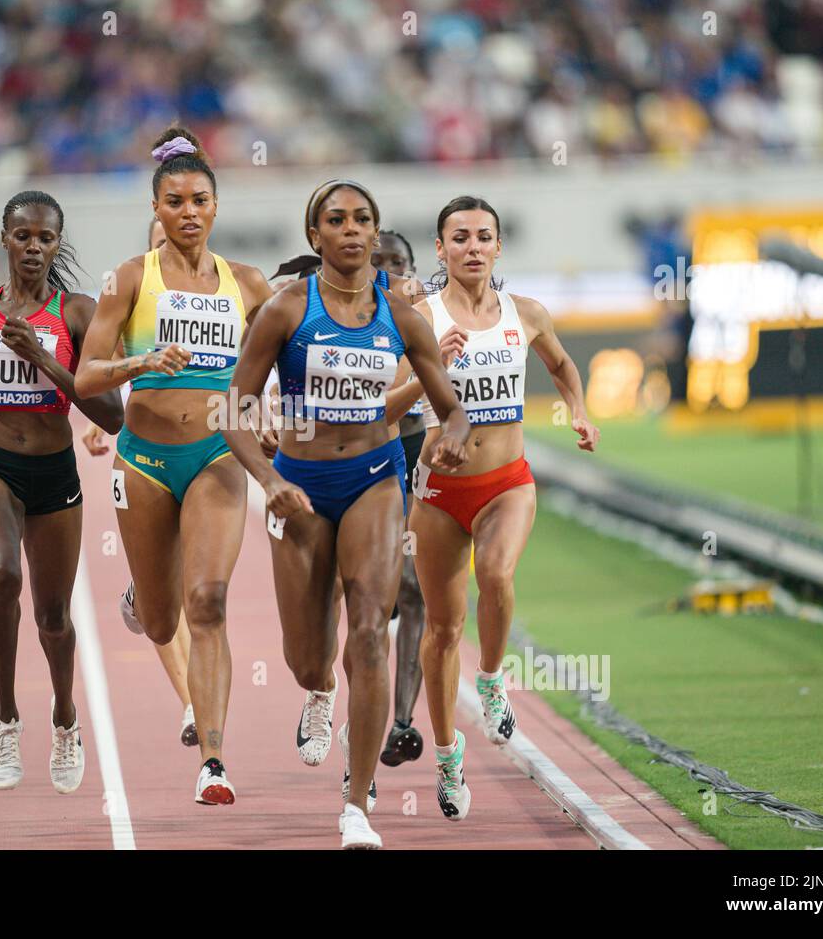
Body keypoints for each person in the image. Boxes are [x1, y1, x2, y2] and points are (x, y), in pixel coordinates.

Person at [222, 179, 470, 848]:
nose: (353, 230)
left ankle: (356, 804)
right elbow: (232, 412)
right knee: (307, 658)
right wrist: (267, 479)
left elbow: (452, 409)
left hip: (374, 480)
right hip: (299, 486)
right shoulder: (284, 311)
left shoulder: (403, 317)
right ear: (316, 237)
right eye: (338, 220)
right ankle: (319, 690)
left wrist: (450, 439)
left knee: (369, 629)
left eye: (364, 219)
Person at [74, 126, 273, 805]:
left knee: (208, 601)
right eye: (175, 200)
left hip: (219, 453)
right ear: (157, 209)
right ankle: (144, 593)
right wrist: (140, 362)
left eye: (200, 200)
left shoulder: (248, 284)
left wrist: (272, 417)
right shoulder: (131, 278)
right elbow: (86, 376)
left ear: (216, 208)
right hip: (145, 461)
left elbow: (284, 361)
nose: (188, 211)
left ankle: (214, 761)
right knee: (162, 621)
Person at [392, 196, 599, 821]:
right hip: (437, 490)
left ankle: (490, 680)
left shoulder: (526, 313)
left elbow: (562, 366)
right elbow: (387, 399)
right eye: (460, 238)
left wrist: (581, 411)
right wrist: (436, 364)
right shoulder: (417, 318)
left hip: (507, 481)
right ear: (441, 248)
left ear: (499, 247)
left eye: (484, 236)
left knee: (499, 576)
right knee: (441, 629)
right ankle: (449, 759)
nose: (473, 247)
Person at [0, 190, 124, 795]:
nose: (34, 247)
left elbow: (112, 414)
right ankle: (5, 717)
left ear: (57, 244)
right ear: (5, 239)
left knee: (52, 618)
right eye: (23, 236)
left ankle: (65, 717)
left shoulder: (77, 312)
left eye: (46, 238)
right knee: (2, 575)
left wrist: (42, 357)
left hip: (55, 476)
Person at [80, 217, 197, 749]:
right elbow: (101, 368)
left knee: (199, 588)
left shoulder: (215, 292)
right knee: (163, 604)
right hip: (145, 457)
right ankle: (193, 703)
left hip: (204, 455)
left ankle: (202, 699)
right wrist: (96, 421)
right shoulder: (132, 291)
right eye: (159, 238)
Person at [370, 230, 430, 767]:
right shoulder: (350, 315)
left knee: (414, 590)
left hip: (415, 451)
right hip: (361, 457)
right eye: (378, 261)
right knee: (373, 599)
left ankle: (403, 723)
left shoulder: (425, 313)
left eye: (399, 262)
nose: (388, 270)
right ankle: (330, 692)